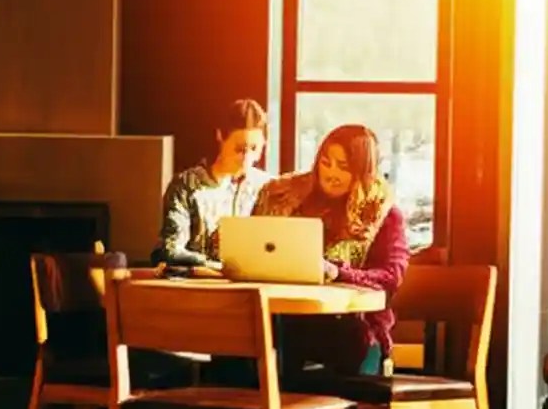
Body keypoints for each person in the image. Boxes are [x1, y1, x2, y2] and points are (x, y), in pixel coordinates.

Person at [253, 124, 410, 376]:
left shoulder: (384, 214)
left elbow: (392, 276)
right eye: (326, 163)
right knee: (252, 336)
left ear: (363, 170)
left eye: (344, 167)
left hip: (354, 328)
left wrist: (338, 273)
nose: (332, 174)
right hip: (289, 320)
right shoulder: (289, 199)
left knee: (337, 338)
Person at [152, 98, 272, 268]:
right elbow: (170, 249)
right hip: (198, 286)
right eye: (239, 149)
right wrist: (218, 266)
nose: (246, 159)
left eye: (254, 149)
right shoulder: (187, 186)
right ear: (220, 137)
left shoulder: (266, 187)